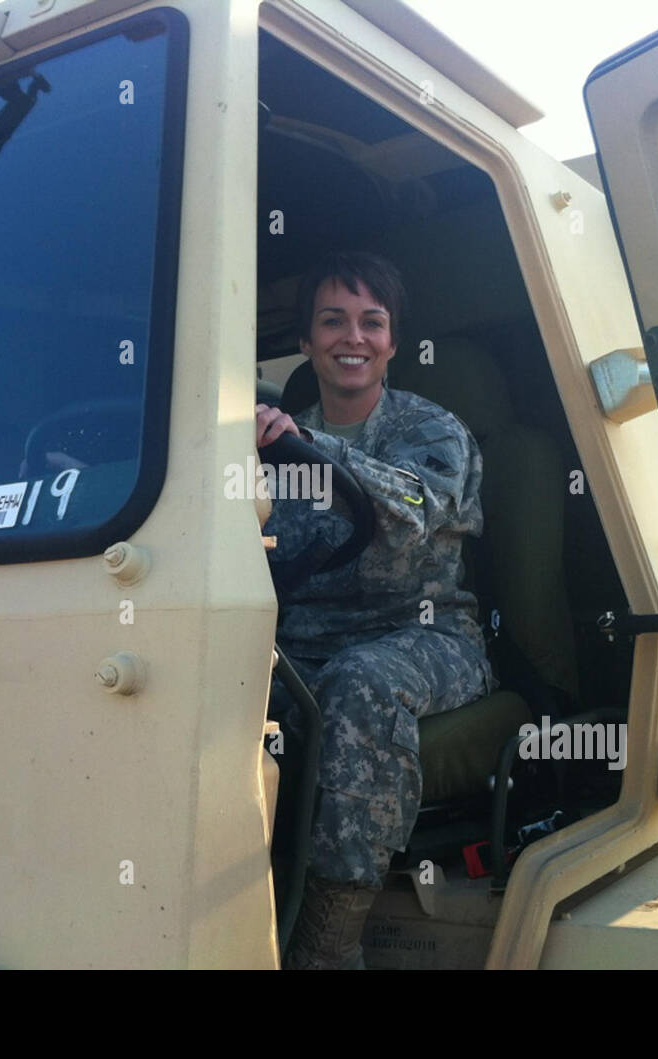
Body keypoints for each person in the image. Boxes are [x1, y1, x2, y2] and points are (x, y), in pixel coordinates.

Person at [257, 250, 493, 970]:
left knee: (360, 683)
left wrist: (311, 447)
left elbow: (413, 509)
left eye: (371, 321)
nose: (351, 336)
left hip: (424, 638)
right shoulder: (269, 440)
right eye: (332, 321)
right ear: (306, 341)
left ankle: (329, 939)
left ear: (391, 341)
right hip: (302, 641)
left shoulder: (434, 432)